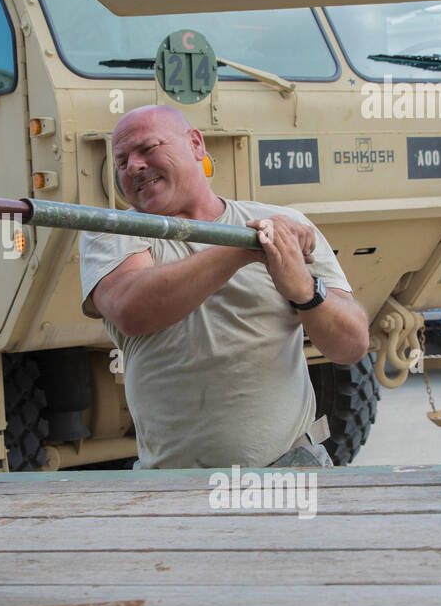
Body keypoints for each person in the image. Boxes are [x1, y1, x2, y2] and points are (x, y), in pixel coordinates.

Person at [80, 105, 370, 469]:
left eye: (147, 148)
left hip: (290, 470)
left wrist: (306, 293)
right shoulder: (113, 231)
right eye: (121, 161)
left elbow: (352, 344)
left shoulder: (288, 225)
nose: (133, 166)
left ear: (196, 144)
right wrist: (241, 249)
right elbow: (132, 309)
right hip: (174, 487)